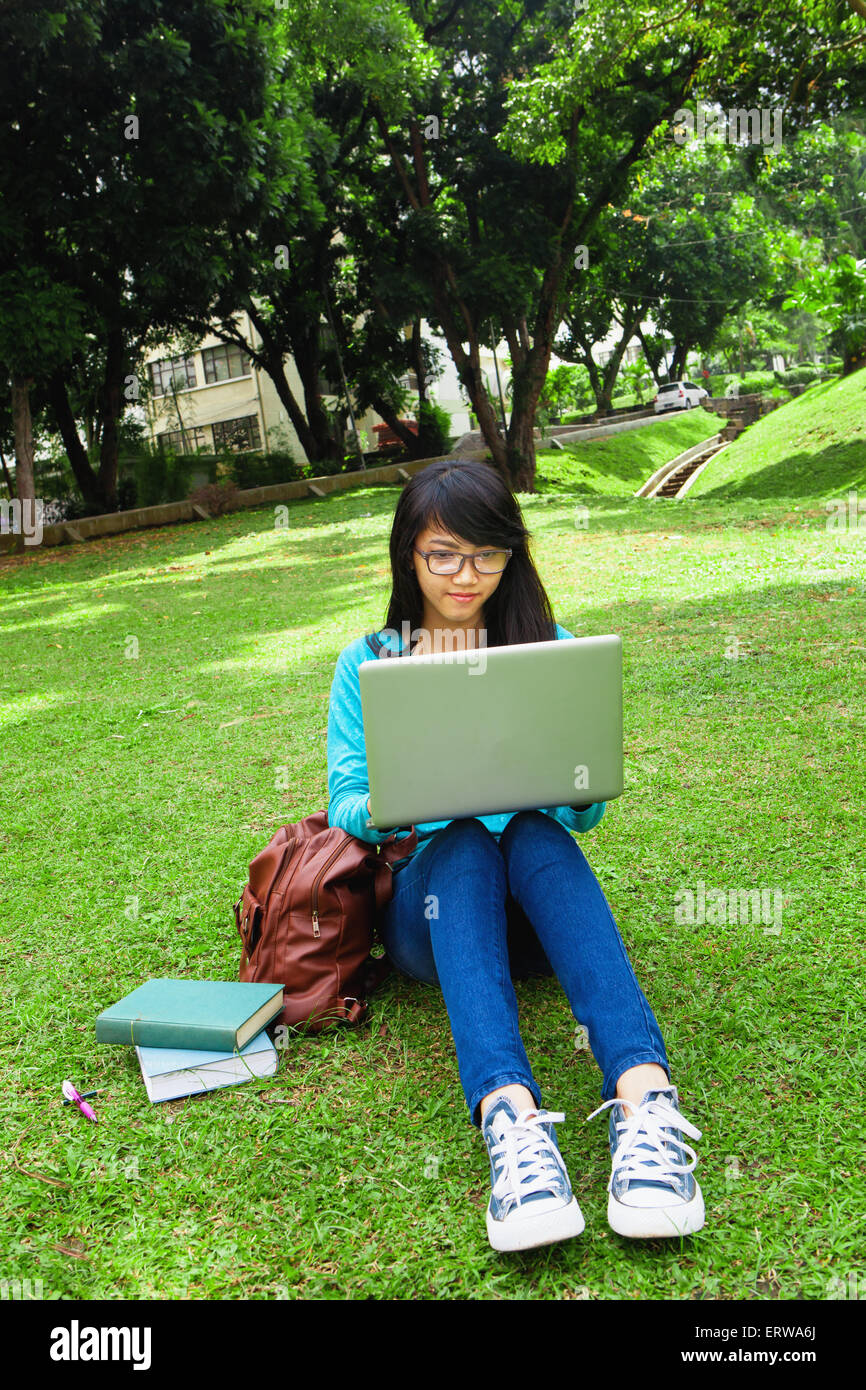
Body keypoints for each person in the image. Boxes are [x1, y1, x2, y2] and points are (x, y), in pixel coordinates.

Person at [325, 458, 704, 1253]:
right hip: (435, 918)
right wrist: (417, 797)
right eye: (443, 554)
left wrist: (573, 784)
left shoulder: (548, 648)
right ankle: (513, 1123)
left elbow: (587, 809)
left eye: (488, 554)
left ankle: (645, 1101)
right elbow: (347, 804)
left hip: (533, 918)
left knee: (536, 829)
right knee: (464, 838)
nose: (467, 576)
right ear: (408, 555)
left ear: (512, 554)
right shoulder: (371, 661)